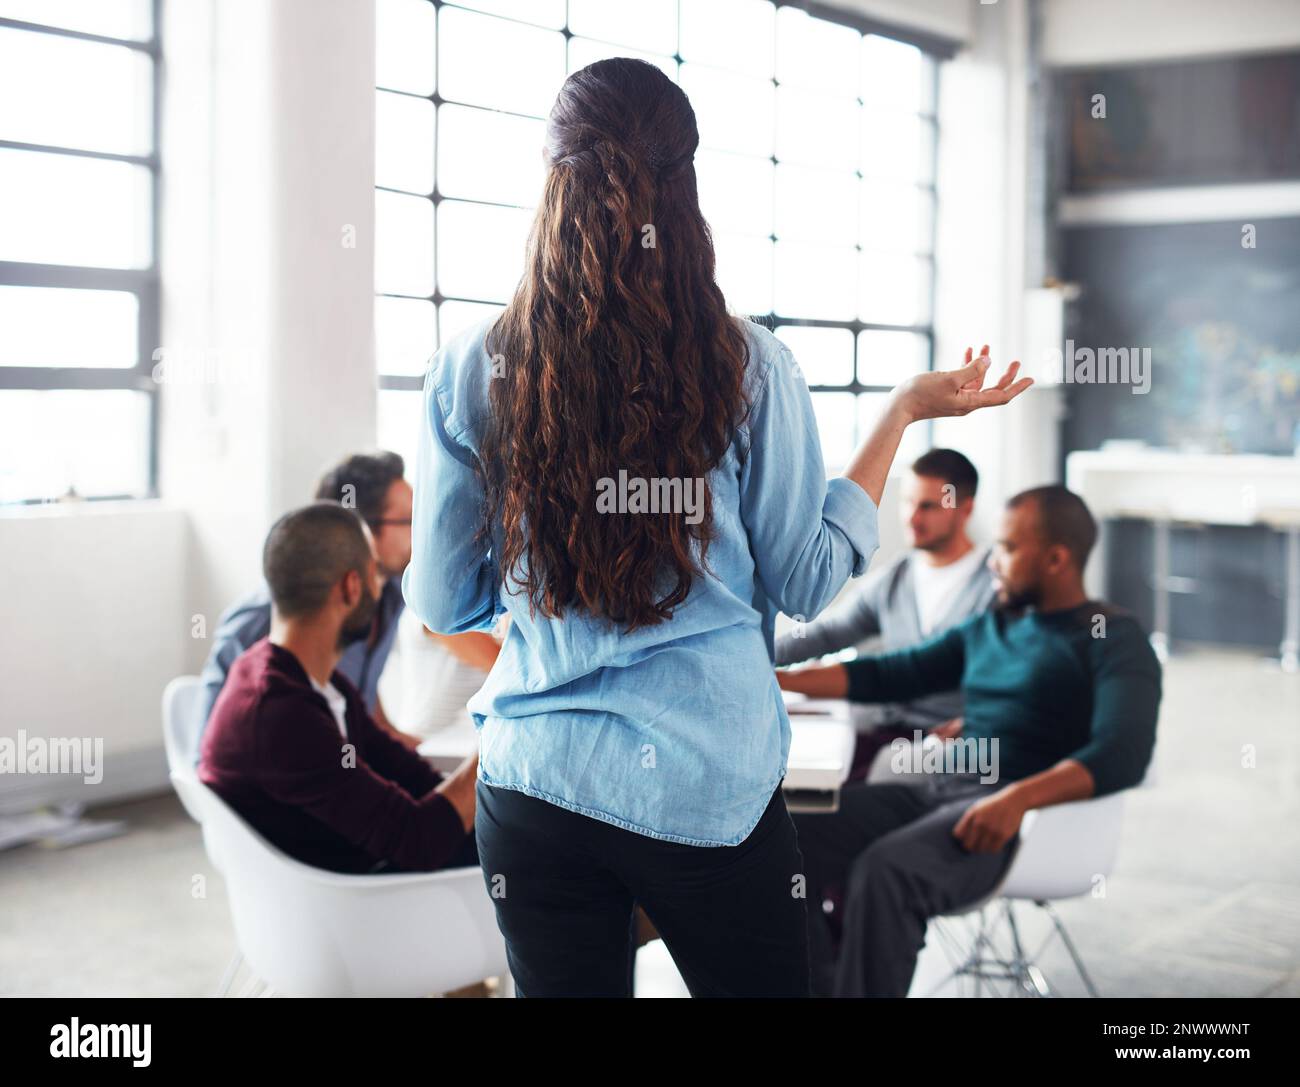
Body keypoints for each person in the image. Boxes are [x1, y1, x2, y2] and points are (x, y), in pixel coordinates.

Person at [403, 57, 1031, 997]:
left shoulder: (470, 367)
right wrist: (899, 414)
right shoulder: (749, 366)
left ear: (551, 183)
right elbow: (810, 574)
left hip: (532, 784)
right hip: (707, 795)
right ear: (684, 188)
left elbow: (444, 598)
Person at [778, 486, 1162, 997]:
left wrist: (1017, 798)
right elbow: (893, 673)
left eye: (1006, 548)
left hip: (1015, 817)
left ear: (1056, 558)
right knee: (786, 842)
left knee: (885, 871)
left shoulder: (1113, 639)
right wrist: (777, 678)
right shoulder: (994, 625)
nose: (993, 564)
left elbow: (1124, 753)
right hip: (936, 787)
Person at [198, 501, 479, 874]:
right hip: (349, 900)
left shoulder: (303, 677)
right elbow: (417, 841)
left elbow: (409, 775)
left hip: (346, 870)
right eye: (374, 576)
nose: (381, 590)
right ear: (350, 587)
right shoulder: (281, 713)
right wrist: (498, 747)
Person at [776, 448, 995, 781]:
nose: (912, 518)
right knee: (796, 784)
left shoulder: (996, 586)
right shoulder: (895, 580)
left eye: (928, 507)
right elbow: (827, 633)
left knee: (839, 802)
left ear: (965, 509)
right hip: (883, 731)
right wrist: (759, 654)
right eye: (908, 502)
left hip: (946, 743)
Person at [193, 451, 415, 751]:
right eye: (411, 520)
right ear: (360, 531)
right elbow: (214, 749)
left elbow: (363, 701)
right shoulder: (261, 621)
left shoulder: (390, 594)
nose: (423, 533)